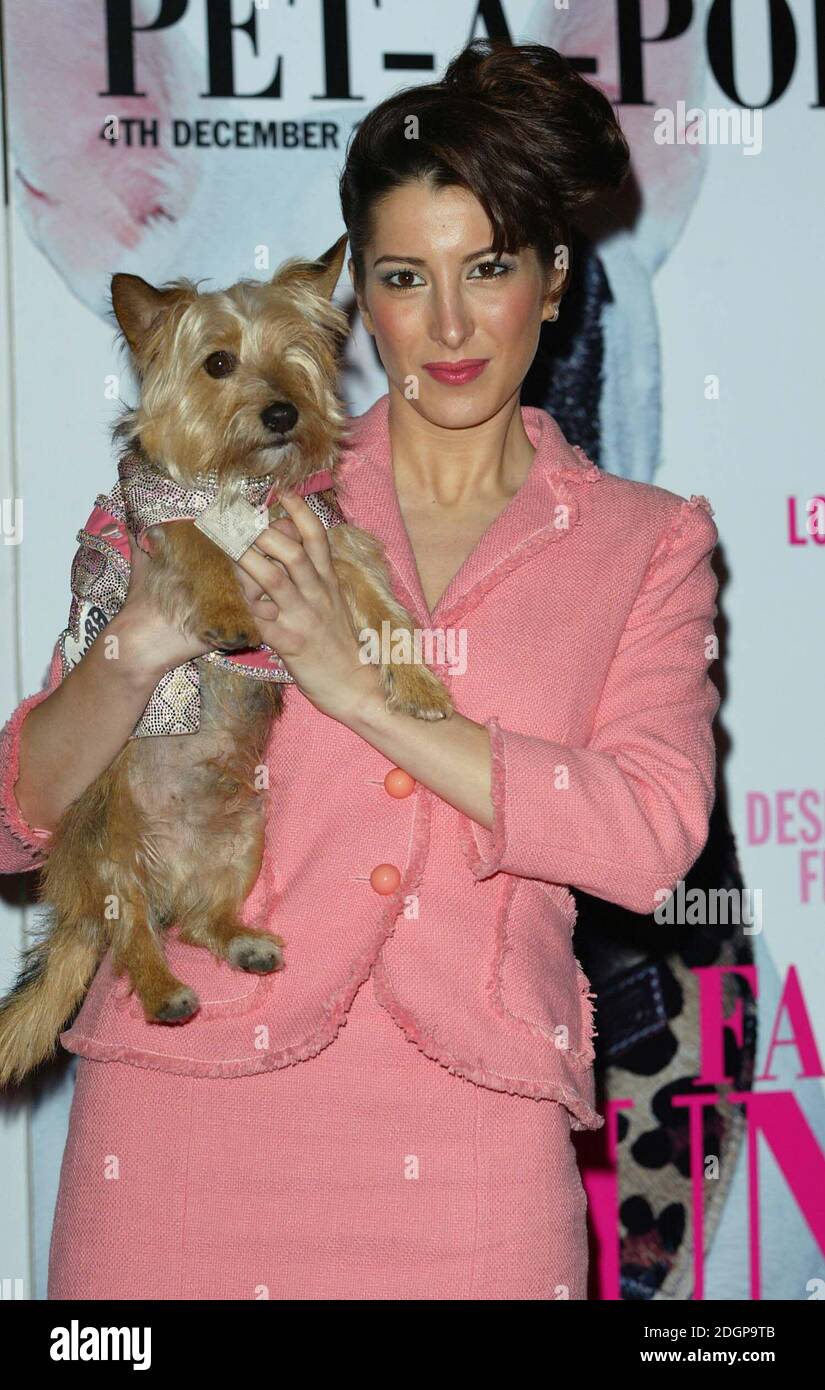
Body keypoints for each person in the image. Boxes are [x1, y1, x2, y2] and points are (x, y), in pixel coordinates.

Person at [0, 40, 720, 1300]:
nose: (447, 325)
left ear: (553, 281)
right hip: (181, 1135)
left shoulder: (644, 541)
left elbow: (650, 836)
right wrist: (140, 642)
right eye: (403, 277)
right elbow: (22, 816)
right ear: (357, 302)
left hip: (473, 1156)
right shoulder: (222, 481)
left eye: (487, 268)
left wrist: (363, 692)